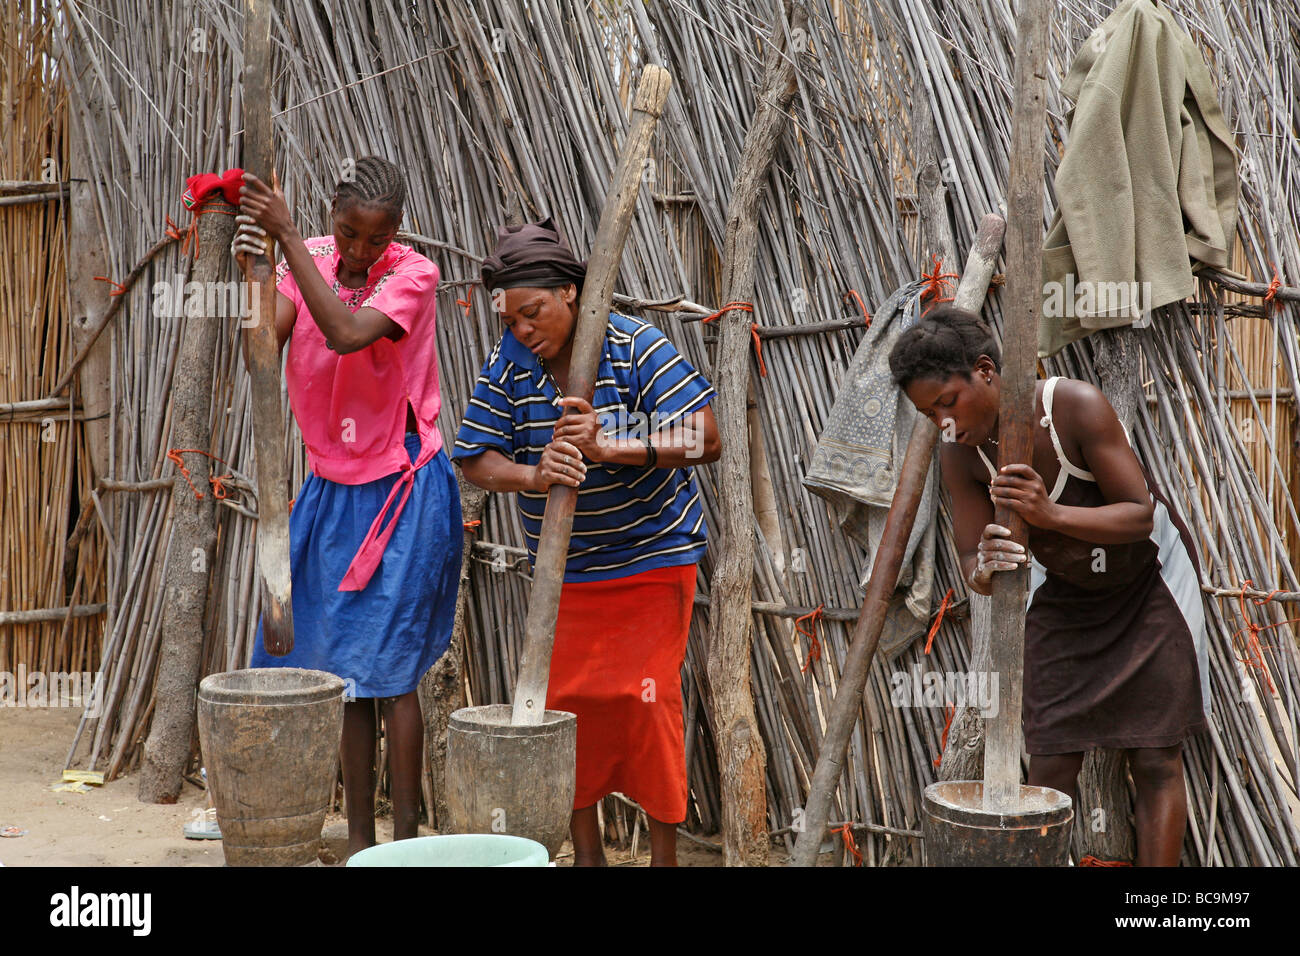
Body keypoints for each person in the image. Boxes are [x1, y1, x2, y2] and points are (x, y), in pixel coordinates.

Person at [889, 305, 1209, 867]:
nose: (943, 420)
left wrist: (1050, 515)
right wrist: (984, 567)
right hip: (1063, 595)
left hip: (1149, 585)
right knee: (1051, 759)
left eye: (946, 402)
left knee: (1157, 756)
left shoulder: (1071, 407)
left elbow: (1137, 514)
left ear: (985, 371)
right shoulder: (960, 455)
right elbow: (971, 559)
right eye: (928, 413)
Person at [453, 217, 720, 866]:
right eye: (512, 320)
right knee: (563, 709)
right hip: (566, 575)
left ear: (570, 292)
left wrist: (613, 448)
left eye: (534, 312)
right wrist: (534, 475)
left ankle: (664, 857)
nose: (523, 330)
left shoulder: (635, 346)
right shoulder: (510, 367)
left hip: (651, 559)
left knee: (645, 699)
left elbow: (706, 438)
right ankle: (588, 855)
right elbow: (473, 458)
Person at [233, 156, 462, 858]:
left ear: (395, 230)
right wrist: (254, 269)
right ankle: (364, 846)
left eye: (376, 237)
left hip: (403, 489)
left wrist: (292, 241)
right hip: (333, 489)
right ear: (334, 215)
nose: (361, 251)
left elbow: (347, 333)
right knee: (345, 677)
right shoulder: (312, 257)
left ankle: (407, 845)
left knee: (393, 676)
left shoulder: (413, 277)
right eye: (349, 234)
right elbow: (261, 347)